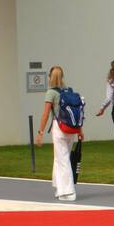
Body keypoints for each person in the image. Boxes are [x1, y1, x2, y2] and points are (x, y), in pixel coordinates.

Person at [35, 65, 78, 201]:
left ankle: (68, 192)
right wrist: (80, 131)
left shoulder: (51, 93)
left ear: (50, 77)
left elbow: (45, 114)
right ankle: (58, 186)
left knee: (62, 160)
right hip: (71, 129)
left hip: (59, 128)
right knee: (60, 158)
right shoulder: (69, 91)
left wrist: (40, 132)